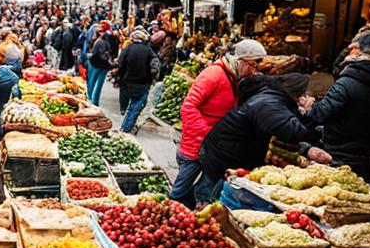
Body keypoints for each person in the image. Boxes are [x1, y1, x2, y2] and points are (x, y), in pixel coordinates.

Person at [197, 72, 330, 203]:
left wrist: (306, 147)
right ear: (297, 93)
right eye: (304, 94)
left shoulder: (274, 98)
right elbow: (291, 131)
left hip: (231, 151)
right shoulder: (269, 103)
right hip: (224, 155)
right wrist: (311, 114)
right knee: (209, 197)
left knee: (216, 190)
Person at [172, 39, 266, 207]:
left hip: (213, 148)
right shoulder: (214, 74)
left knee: (199, 192)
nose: (255, 71)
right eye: (254, 64)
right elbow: (188, 106)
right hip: (196, 145)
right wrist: (207, 133)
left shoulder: (235, 78)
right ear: (242, 61)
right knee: (179, 192)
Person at [305, 28, 370, 189]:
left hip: (340, 155)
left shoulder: (347, 81)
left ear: (357, 51)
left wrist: (310, 105)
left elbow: (320, 113)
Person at [115, 28, 159, 134]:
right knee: (135, 107)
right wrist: (153, 77)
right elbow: (155, 63)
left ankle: (125, 127)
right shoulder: (148, 50)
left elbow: (120, 65)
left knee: (129, 108)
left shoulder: (127, 48)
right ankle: (126, 129)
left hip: (127, 83)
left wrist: (119, 79)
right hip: (142, 84)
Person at [85, 22, 117, 106]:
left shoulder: (99, 41)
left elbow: (95, 52)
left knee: (92, 81)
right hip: (103, 64)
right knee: (98, 83)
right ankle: (94, 100)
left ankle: (91, 99)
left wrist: (89, 55)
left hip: (96, 63)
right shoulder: (111, 38)